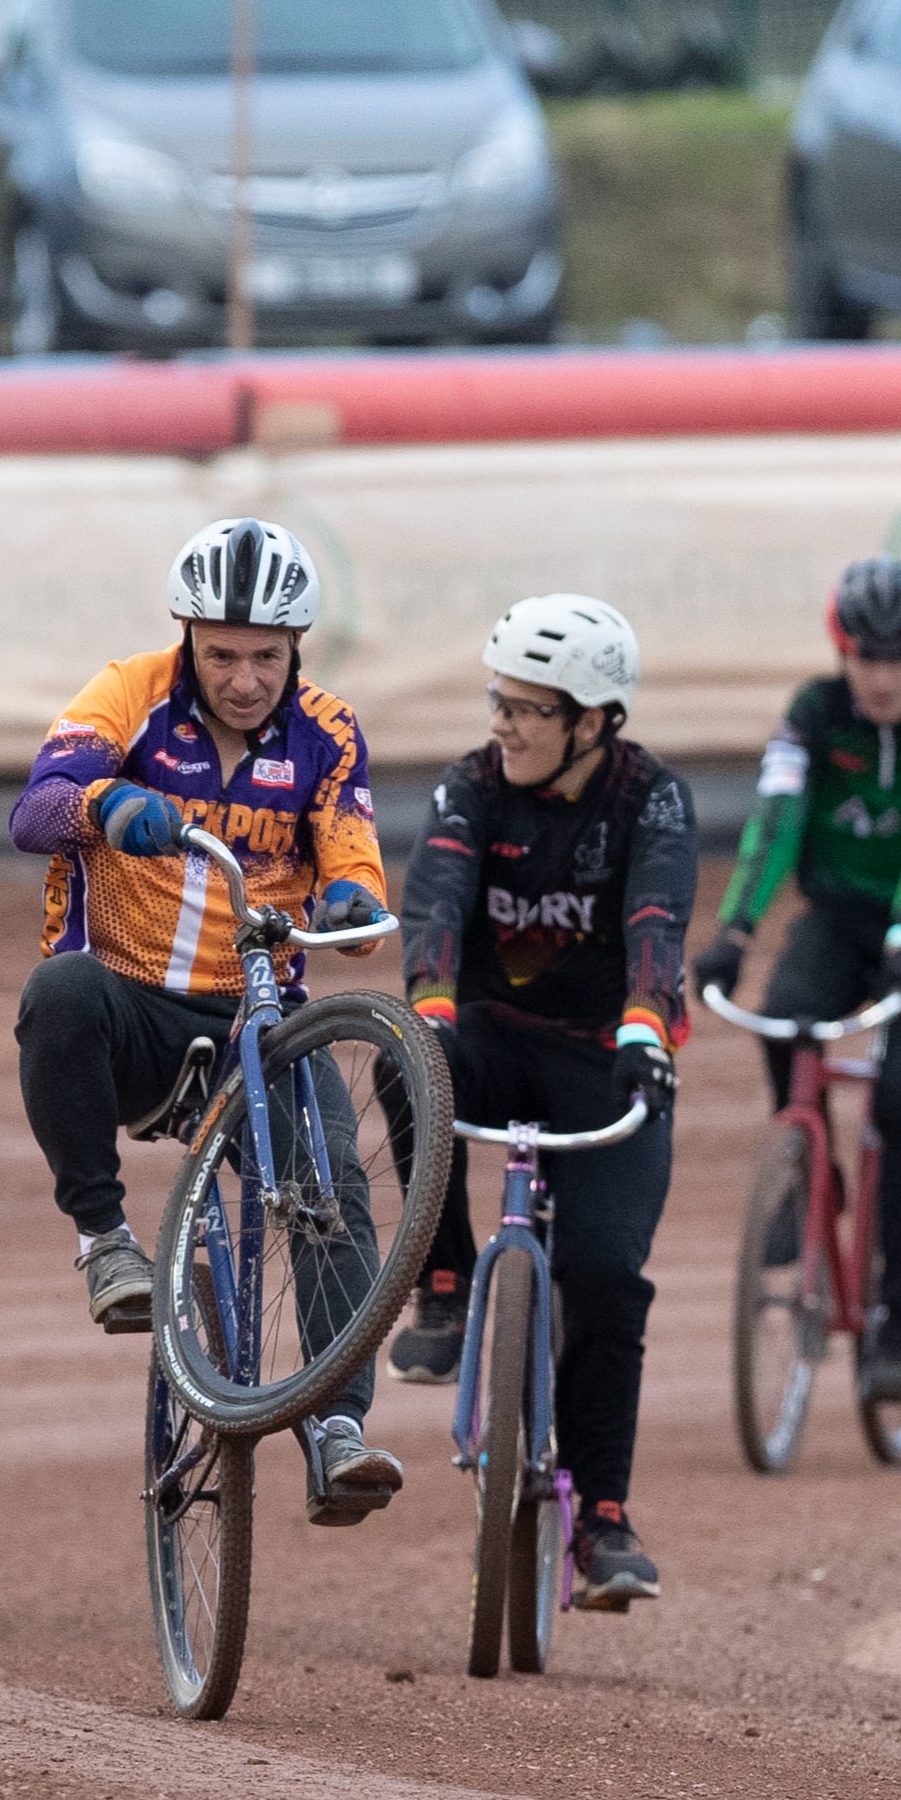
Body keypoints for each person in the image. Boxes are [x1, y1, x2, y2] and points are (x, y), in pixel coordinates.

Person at [10, 517, 407, 1526]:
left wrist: (355, 902)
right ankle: (104, 1240)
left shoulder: (326, 728)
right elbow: (34, 807)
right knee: (52, 998)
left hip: (262, 1015)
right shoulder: (128, 694)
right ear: (186, 637)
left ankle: (335, 1427)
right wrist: (104, 807)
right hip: (132, 1004)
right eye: (221, 652)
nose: (242, 677)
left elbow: (348, 842)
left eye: (264, 656)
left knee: (334, 1186)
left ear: (296, 649)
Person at [385, 596, 694, 1609]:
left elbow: (656, 916)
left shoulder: (650, 799)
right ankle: (443, 1276)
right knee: (402, 1058)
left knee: (605, 1276)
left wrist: (647, 1025)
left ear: (592, 721)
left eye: (527, 708)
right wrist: (428, 1010)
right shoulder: (471, 784)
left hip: (609, 1059)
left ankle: (602, 1518)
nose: (502, 724)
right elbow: (433, 896)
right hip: (492, 1038)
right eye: (498, 701)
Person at [690, 554, 901, 1405]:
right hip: (839, 920)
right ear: (842, 652)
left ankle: (899, 1318)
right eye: (865, 657)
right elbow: (778, 815)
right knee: (785, 1017)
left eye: (896, 659)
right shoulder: (814, 713)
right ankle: (805, 1178)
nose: (880, 677)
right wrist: (735, 929)